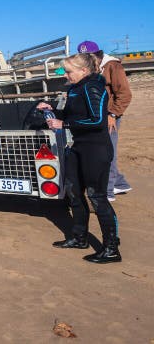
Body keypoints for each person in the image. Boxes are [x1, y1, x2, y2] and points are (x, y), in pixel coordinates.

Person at [37, 52, 121, 263]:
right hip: (78, 147)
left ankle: (111, 248)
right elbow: (74, 116)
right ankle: (79, 237)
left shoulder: (94, 86)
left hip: (95, 149)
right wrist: (53, 111)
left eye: (68, 71)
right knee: (73, 191)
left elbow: (98, 120)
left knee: (96, 196)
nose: (66, 75)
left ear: (83, 71)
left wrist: (63, 125)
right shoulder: (75, 88)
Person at [77, 40, 133, 200]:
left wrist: (113, 115)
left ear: (97, 54)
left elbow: (124, 94)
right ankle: (120, 184)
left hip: (109, 117)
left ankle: (107, 193)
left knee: (107, 153)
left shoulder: (113, 66)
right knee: (103, 151)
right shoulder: (91, 68)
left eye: (88, 56)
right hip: (97, 116)